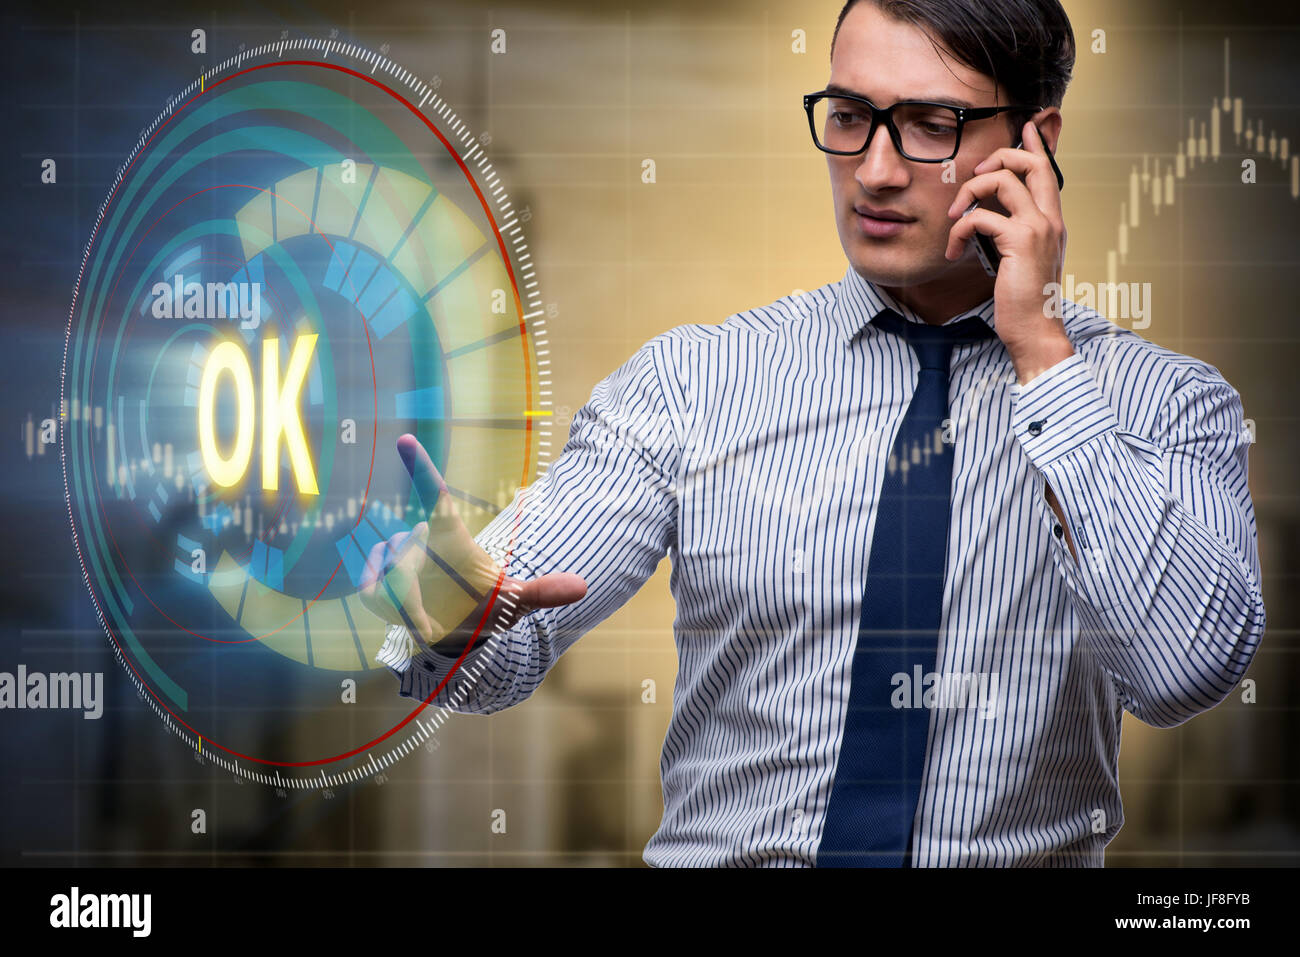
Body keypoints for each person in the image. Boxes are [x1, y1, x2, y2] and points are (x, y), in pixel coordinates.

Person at [359, 0, 1266, 867]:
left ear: (1037, 143)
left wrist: (1043, 356)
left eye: (931, 123)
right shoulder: (692, 384)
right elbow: (501, 643)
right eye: (849, 116)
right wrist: (447, 618)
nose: (874, 169)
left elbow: (1180, 670)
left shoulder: (1166, 405)